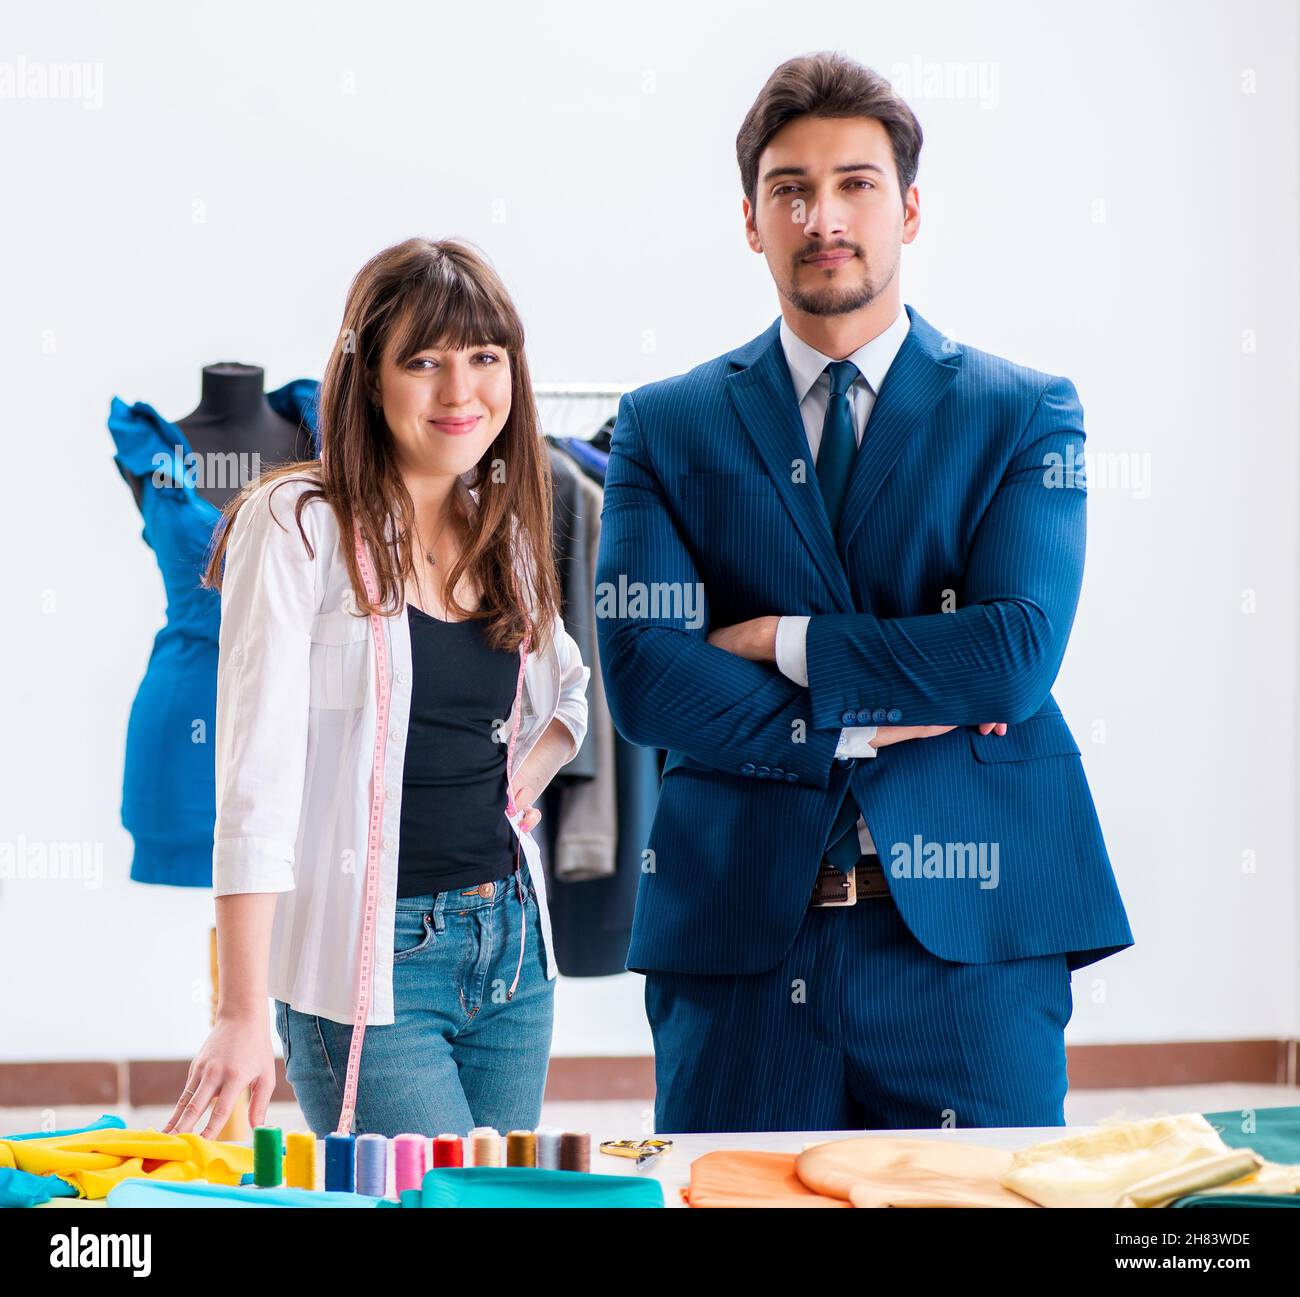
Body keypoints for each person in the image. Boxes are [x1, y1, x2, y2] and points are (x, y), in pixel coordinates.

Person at [595, 52, 1133, 1133]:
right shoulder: (666, 422)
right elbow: (649, 679)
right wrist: (863, 725)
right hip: (742, 943)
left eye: (855, 184)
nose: (822, 215)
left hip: (971, 946)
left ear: (910, 208)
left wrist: (790, 642)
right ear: (752, 220)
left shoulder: (1023, 411)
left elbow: (1012, 655)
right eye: (790, 188)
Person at [164, 237, 590, 1139]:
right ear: (368, 378)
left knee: (496, 1214)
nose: (460, 390)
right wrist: (241, 1011)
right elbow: (254, 785)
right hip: (372, 969)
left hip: (514, 952)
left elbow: (569, 696)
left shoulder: (503, 531)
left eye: (484, 357)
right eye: (423, 361)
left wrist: (519, 784)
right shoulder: (297, 526)